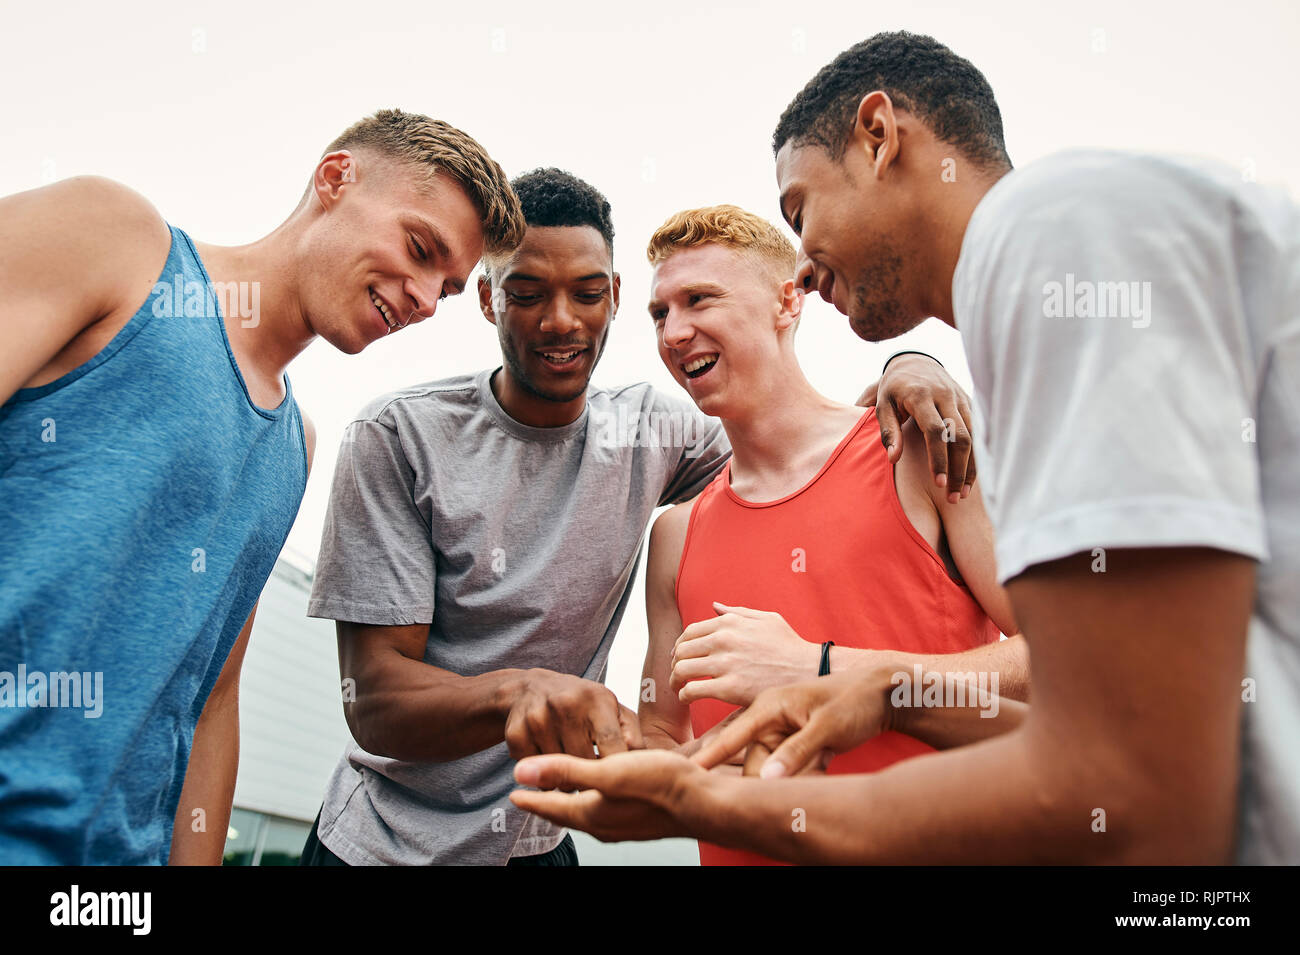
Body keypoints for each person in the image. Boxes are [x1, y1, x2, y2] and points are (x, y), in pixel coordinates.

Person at [511, 31, 1300, 866]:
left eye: (799, 209)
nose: (809, 266)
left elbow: (1118, 766)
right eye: (658, 313)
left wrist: (809, 690)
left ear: (878, 136)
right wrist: (878, 691)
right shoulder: (1035, 282)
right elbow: (1110, 722)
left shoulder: (1052, 239)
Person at [298, 168, 973, 865]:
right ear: (488, 299)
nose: (561, 320)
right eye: (527, 293)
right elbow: (374, 700)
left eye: (588, 293)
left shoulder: (654, 432)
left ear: (611, 297)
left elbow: (784, 448)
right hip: (384, 843)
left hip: (537, 840)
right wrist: (526, 689)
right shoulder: (398, 437)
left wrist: (912, 360)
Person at [0, 108, 524, 865]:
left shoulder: (295, 445)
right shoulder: (116, 240)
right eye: (419, 248)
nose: (421, 297)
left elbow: (210, 698)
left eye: (445, 289)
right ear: (335, 177)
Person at [637, 204, 1025, 865]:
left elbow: (1058, 663)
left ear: (788, 302)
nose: (675, 331)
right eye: (659, 313)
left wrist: (816, 668)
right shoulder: (676, 533)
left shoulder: (918, 452)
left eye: (699, 299)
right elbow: (661, 734)